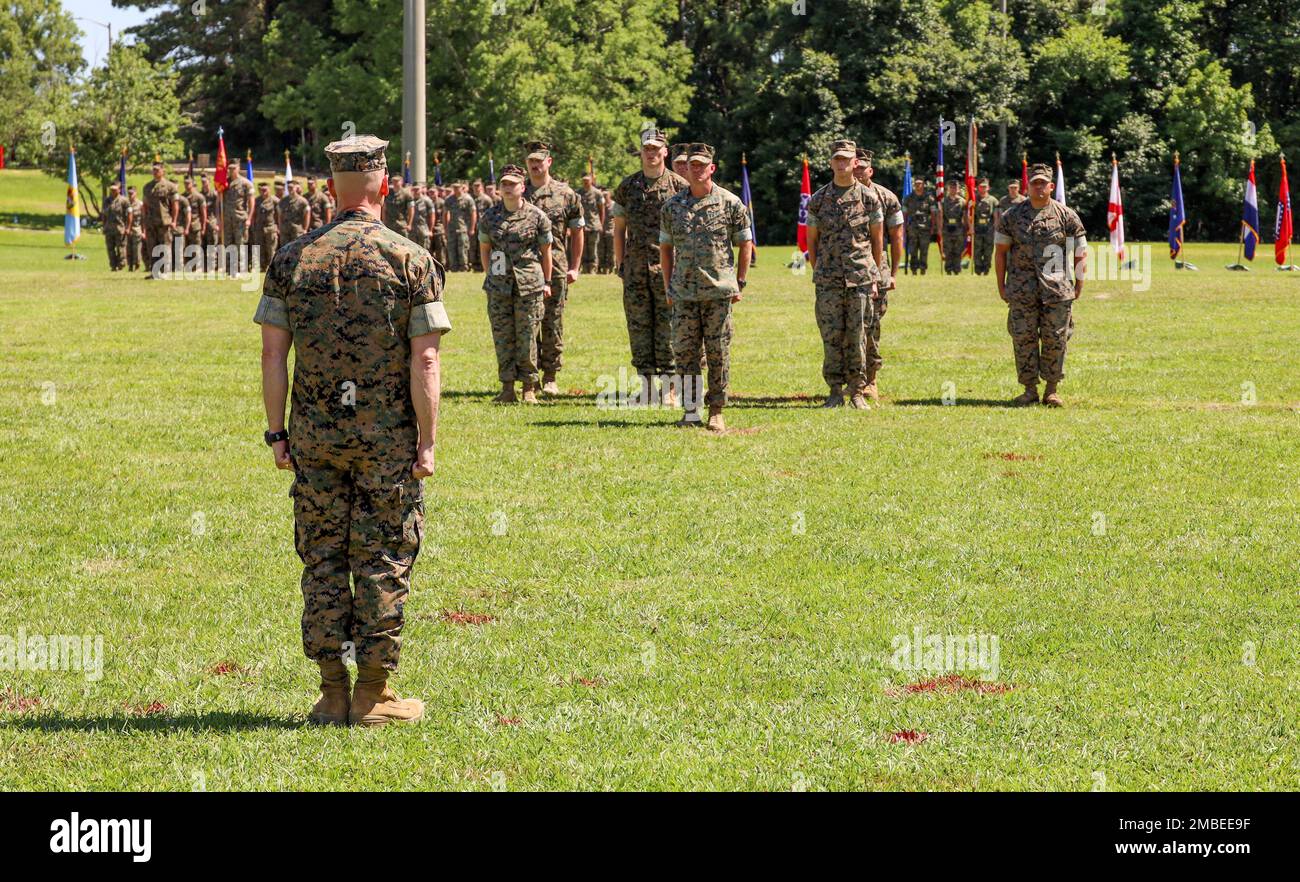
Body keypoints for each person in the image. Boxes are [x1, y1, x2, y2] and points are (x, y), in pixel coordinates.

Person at [254, 133, 450, 727]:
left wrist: (276, 434)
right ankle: (372, 694)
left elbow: (271, 356)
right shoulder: (410, 258)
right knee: (382, 556)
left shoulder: (292, 258)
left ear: (333, 184)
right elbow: (426, 361)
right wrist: (428, 441)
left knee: (322, 559)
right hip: (386, 440)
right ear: (383, 183)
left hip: (314, 438)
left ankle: (331, 692)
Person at [659, 143, 752, 432]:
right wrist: (668, 286)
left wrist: (739, 282)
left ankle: (716, 409)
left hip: (718, 292)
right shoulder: (672, 207)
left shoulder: (730, 203)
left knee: (717, 353)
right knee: (685, 354)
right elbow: (665, 248)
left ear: (712, 168)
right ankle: (690, 410)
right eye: (692, 165)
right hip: (684, 293)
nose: (696, 169)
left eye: (702, 165)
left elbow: (745, 243)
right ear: (685, 169)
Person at [994, 162, 1087, 408]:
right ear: (1028, 185)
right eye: (1034, 183)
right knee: (1023, 338)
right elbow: (1001, 252)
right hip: (1021, 290)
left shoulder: (1066, 215)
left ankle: (1052, 390)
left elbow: (1080, 252)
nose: (1038, 187)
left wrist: (1079, 283)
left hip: (1057, 290)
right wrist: (1001, 286)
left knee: (1056, 339)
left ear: (1051, 186)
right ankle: (1029, 390)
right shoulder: (1011, 216)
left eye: (1042, 183)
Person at [805, 139, 884, 410]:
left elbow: (877, 242)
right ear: (831, 163)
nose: (841, 163)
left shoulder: (869, 198)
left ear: (855, 163)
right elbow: (811, 243)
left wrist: (873, 277)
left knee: (858, 336)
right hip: (828, 280)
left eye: (846, 159)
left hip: (860, 278)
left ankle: (858, 391)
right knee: (831, 336)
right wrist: (821, 271)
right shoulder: (818, 200)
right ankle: (835, 390)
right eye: (836, 159)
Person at [612, 129, 688, 406]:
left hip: (670, 268)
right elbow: (618, 228)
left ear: (665, 152)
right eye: (647, 148)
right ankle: (645, 385)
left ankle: (669, 385)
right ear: (641, 152)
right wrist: (620, 263)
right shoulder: (628, 186)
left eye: (657, 148)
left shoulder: (680, 186)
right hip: (635, 269)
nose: (652, 153)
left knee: (668, 326)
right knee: (638, 326)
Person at [478, 164, 553, 404]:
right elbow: (485, 249)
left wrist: (547, 281)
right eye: (504, 184)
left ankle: (529, 387)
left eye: (513, 184)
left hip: (529, 285)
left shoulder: (537, 216)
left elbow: (546, 251)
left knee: (528, 336)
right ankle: (507, 388)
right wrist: (490, 275)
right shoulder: (490, 217)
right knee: (503, 336)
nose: (508, 188)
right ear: (499, 189)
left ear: (522, 187)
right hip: (499, 287)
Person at [522, 140, 584, 396]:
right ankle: (529, 376)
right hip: (523, 268)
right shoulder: (517, 191)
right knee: (526, 323)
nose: (535, 165)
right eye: (531, 161)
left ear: (549, 162)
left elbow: (578, 231)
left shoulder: (566, 194)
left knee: (552, 321)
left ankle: (550, 376)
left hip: (556, 267)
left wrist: (576, 266)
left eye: (539, 161)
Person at [853, 148, 903, 401]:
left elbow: (896, 237)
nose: (858, 171)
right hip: (848, 270)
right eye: (855, 166)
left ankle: (870, 380)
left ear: (870, 170)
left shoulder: (886, 197)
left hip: (877, 269)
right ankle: (849, 380)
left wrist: (893, 273)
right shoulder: (839, 195)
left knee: (872, 326)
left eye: (862, 168)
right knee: (848, 327)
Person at [141, 161, 179, 277]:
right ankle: (154, 272)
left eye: (157, 170)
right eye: (154, 170)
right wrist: (144, 222)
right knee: (152, 247)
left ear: (163, 171)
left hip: (164, 221)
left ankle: (165, 272)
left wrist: (174, 221)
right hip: (151, 222)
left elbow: (175, 205)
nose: (155, 172)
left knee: (165, 247)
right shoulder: (147, 187)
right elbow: (145, 205)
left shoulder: (170, 186)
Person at [222, 161, 255, 274]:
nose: (231, 171)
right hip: (227, 218)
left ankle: (241, 269)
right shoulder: (224, 183)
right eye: (229, 168)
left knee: (240, 244)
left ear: (238, 168)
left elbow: (251, 202)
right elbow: (220, 200)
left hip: (240, 218)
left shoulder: (245, 183)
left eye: (233, 168)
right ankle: (229, 269)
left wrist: (249, 218)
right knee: (228, 243)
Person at [902, 178, 935, 275]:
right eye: (916, 184)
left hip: (925, 228)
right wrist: (904, 227)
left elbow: (933, 213)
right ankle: (914, 270)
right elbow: (904, 213)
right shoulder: (908, 198)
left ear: (923, 185)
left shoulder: (929, 198)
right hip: (912, 228)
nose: (918, 186)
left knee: (924, 250)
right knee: (913, 250)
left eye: (920, 184)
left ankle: (923, 269)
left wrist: (933, 226)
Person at [444, 181, 476, 271]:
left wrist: (472, 228)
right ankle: (453, 267)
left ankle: (464, 267)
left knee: (463, 249)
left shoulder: (468, 199)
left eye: (457, 187)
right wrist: (445, 228)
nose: (455, 189)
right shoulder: (449, 199)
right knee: (451, 249)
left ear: (462, 188)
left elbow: (473, 214)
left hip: (463, 228)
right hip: (451, 228)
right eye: (454, 188)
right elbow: (445, 214)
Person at [971, 177, 1000, 275]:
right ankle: (978, 270)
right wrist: (971, 228)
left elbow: (996, 216)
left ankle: (986, 269)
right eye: (981, 186)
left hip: (989, 230)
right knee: (977, 250)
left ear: (988, 187)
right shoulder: (974, 199)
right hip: (977, 229)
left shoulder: (993, 200)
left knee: (988, 251)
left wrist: (996, 229)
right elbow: (970, 215)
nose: (983, 188)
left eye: (985, 186)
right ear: (978, 188)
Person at [939, 178, 967, 275]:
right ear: (948, 189)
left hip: (959, 230)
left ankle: (957, 269)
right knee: (948, 250)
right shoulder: (943, 201)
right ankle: (948, 269)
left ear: (958, 189)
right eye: (951, 188)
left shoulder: (963, 201)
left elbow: (965, 217)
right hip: (947, 229)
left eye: (955, 188)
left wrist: (968, 228)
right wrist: (939, 229)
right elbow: (940, 216)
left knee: (958, 250)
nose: (953, 190)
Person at [579, 173, 603, 274]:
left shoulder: (597, 193)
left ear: (591, 181)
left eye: (587, 181)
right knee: (583, 248)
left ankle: (593, 268)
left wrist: (601, 223)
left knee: (593, 248)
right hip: (582, 225)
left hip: (594, 225)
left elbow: (601, 210)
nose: (585, 183)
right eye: (584, 181)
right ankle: (584, 268)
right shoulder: (578, 193)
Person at [102, 182, 130, 271]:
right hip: (109, 228)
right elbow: (104, 214)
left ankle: (121, 265)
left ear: (119, 189)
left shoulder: (124, 200)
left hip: (120, 228)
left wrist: (128, 227)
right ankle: (113, 266)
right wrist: (104, 225)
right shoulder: (107, 201)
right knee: (110, 249)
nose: (113, 191)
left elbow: (129, 214)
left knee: (121, 248)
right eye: (111, 190)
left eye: (115, 189)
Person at [252, 180, 280, 267]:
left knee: (271, 249)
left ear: (269, 190)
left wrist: (278, 227)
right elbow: (254, 214)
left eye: (265, 190)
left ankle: (271, 266)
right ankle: (262, 266)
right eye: (261, 190)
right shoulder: (256, 200)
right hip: (259, 228)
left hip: (270, 228)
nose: (263, 192)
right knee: (259, 248)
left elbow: (279, 215)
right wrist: (253, 226)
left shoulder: (275, 200)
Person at [279, 180, 311, 246]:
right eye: (288, 187)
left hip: (297, 231)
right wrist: (280, 228)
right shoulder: (283, 201)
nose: (289, 189)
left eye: (291, 187)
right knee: (284, 251)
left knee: (296, 251)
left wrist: (305, 229)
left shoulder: (302, 201)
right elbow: (280, 216)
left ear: (296, 188)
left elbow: (307, 216)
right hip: (285, 232)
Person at [382, 173, 414, 240]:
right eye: (393, 181)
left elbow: (411, 210)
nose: (395, 183)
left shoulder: (406, 194)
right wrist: (383, 222)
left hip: (401, 225)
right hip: (389, 224)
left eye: (397, 181)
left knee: (403, 246)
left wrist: (409, 224)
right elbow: (384, 208)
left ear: (401, 182)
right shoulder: (388, 193)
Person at [125, 186, 144, 272]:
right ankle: (130, 266)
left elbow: (144, 218)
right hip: (127, 229)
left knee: (137, 249)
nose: (130, 195)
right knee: (128, 249)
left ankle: (137, 265)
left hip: (137, 228)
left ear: (136, 193)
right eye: (129, 193)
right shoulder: (125, 203)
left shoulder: (140, 204)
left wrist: (144, 231)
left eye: (132, 193)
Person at [598, 189, 615, 273]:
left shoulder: (614, 205)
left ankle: (611, 268)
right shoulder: (600, 206)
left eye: (606, 196)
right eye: (603, 196)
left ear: (609, 196)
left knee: (611, 251)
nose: (604, 197)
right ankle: (602, 268)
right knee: (601, 251)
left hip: (611, 231)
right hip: (601, 231)